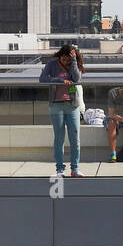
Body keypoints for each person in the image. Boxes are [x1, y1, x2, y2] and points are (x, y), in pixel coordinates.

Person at [38, 44, 83, 177]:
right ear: (60, 56)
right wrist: (59, 80)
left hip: (72, 105)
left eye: (68, 60)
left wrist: (74, 62)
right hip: (56, 105)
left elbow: (77, 79)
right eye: (63, 59)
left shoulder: (74, 64)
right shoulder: (51, 64)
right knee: (59, 138)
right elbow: (42, 79)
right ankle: (59, 169)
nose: (65, 62)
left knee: (75, 139)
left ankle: (74, 168)